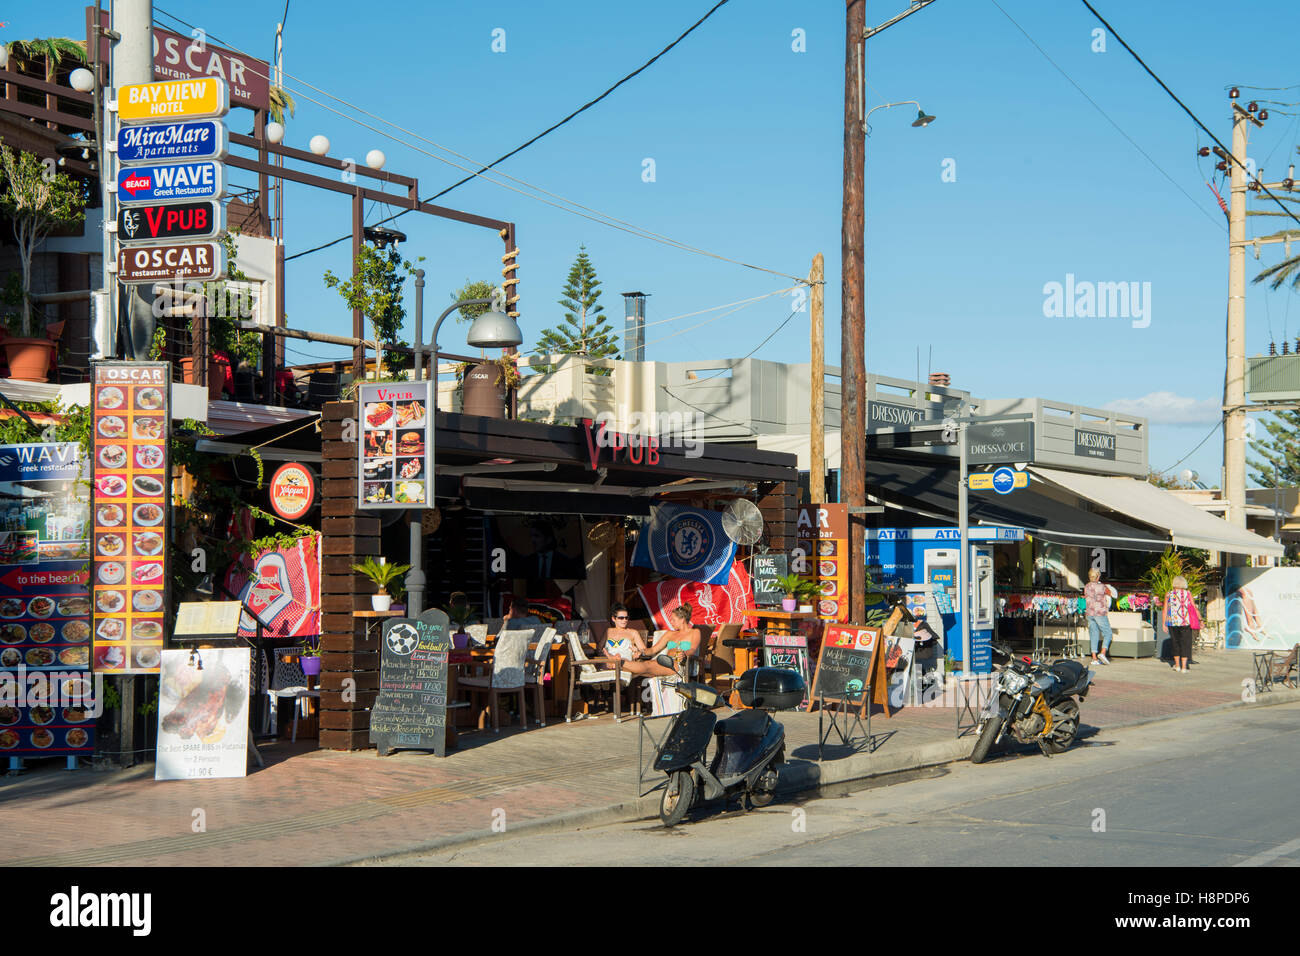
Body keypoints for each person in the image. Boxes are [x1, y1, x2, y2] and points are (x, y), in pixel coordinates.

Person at [621, 604, 701, 679]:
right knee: (639, 670)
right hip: (665, 662)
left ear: (682, 620)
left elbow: (692, 650)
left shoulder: (694, 632)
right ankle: (620, 668)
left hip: (678, 665)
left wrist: (685, 653)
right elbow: (653, 650)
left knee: (646, 665)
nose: (671, 622)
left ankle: (619, 664)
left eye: (673, 620)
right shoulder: (670, 634)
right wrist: (641, 652)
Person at [1083, 568, 1118, 665]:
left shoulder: (1086, 586)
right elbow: (1113, 595)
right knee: (1108, 633)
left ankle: (1094, 658)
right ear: (1098, 576)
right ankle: (1103, 653)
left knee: (1093, 634)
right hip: (1100, 612)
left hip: (1090, 613)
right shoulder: (1102, 587)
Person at [600, 603, 648, 669]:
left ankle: (614, 661)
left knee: (619, 662)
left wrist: (638, 652)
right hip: (608, 660)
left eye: (626, 618)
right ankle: (612, 660)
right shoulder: (608, 631)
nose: (624, 620)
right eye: (621, 618)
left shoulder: (633, 632)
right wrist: (603, 653)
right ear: (613, 619)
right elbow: (599, 648)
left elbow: (644, 650)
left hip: (625, 661)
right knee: (607, 663)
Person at [1164, 575, 1196, 673]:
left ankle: (1177, 665)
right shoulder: (1188, 593)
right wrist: (1199, 619)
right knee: (1185, 643)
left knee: (1175, 643)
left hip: (1172, 622)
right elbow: (1193, 607)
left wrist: (1164, 623)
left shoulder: (1168, 594)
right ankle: (1184, 667)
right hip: (1185, 622)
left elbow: (1165, 609)